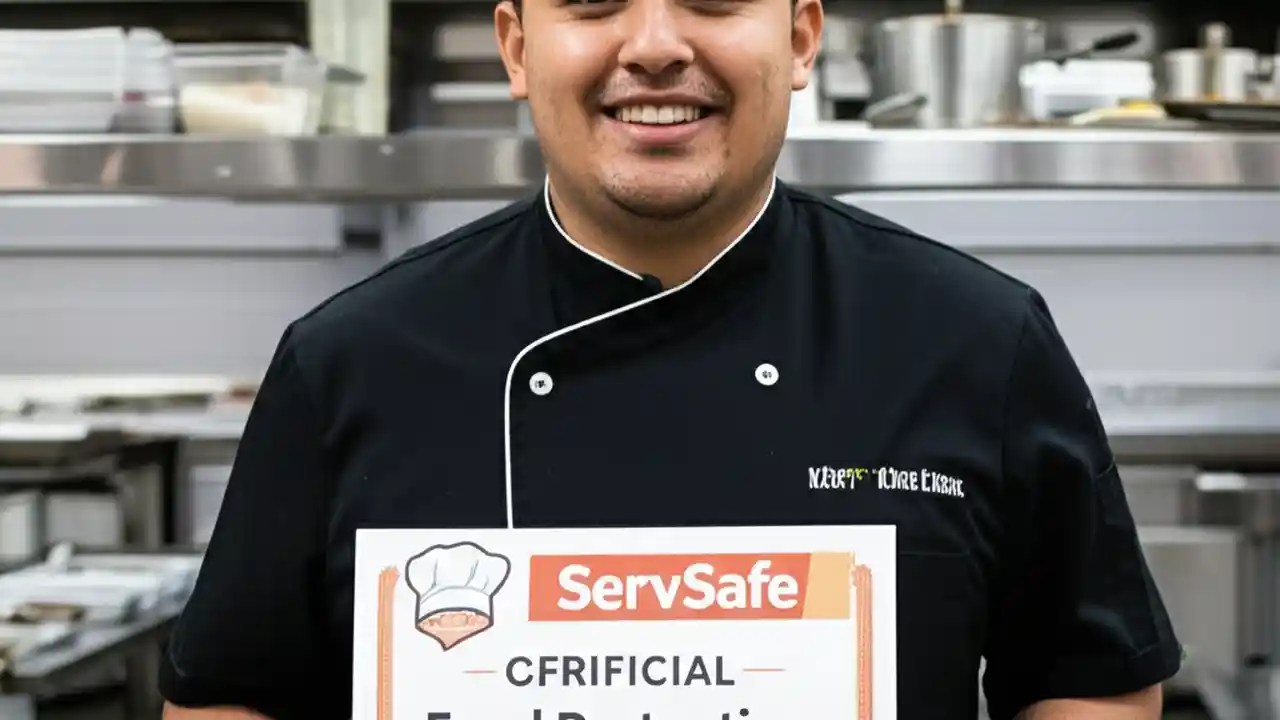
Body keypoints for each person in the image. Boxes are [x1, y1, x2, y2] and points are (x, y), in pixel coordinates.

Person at [160, 0, 1182, 718]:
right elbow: (227, 696)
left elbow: (1089, 673)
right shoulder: (349, 363)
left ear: (797, 36)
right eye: (594, 1)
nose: (652, 47)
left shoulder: (974, 340)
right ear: (517, 47)